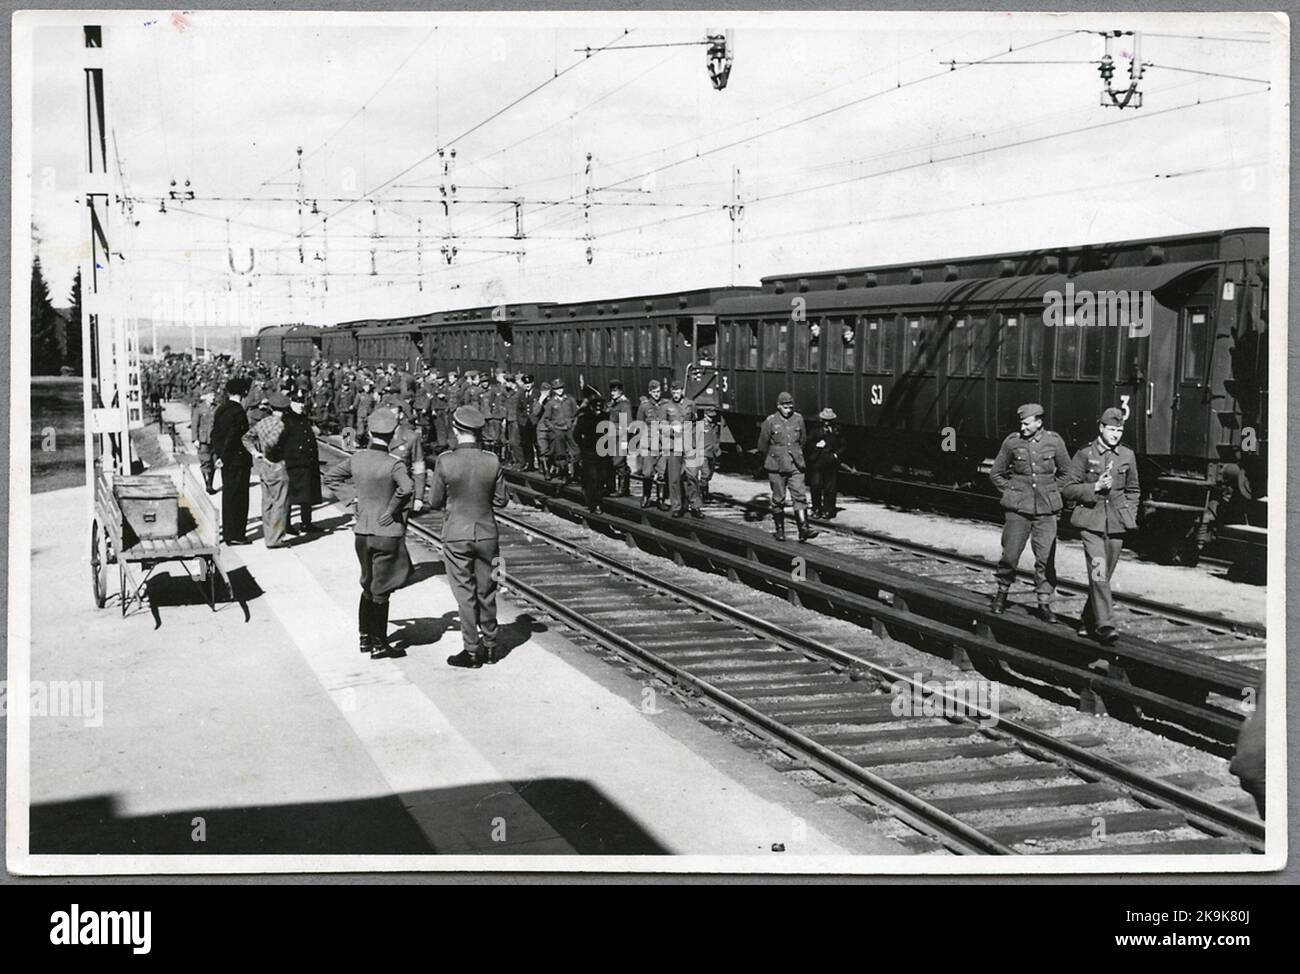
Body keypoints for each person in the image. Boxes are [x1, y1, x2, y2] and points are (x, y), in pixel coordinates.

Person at [323, 408, 414, 658]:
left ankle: (364, 637)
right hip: (387, 533)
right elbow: (407, 488)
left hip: (362, 531)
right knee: (382, 589)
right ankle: (379, 643)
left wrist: (351, 499)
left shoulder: (357, 458)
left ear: (370, 432)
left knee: (367, 583)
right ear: (394, 433)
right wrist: (392, 509)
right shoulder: (393, 463)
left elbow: (330, 477)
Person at [428, 405, 511, 669]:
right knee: (487, 590)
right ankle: (490, 646)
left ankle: (471, 650)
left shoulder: (445, 460)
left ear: (455, 429)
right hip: (487, 534)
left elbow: (434, 500)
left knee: (465, 593)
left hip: (456, 535)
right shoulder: (492, 460)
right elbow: (502, 500)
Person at [1062, 407, 1140, 644]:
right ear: (1101, 428)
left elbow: (1133, 490)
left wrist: (1129, 514)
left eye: (1119, 430)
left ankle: (1087, 621)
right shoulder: (1085, 454)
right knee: (1098, 571)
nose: (1116, 435)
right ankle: (1106, 625)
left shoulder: (1127, 455)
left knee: (1103, 575)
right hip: (1091, 522)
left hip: (1117, 523)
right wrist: (1094, 488)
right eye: (1112, 430)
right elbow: (1067, 488)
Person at [987, 402, 1072, 622]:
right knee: (1010, 554)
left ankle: (1044, 603)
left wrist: (1054, 492)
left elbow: (1067, 473)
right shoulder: (1012, 442)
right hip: (1018, 510)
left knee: (1045, 558)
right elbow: (996, 473)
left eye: (1026, 423)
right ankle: (1001, 595)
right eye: (1021, 423)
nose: (1022, 427)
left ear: (1038, 422)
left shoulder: (1054, 441)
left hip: (1046, 510)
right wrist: (1012, 493)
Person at [757, 391, 818, 542]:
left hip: (796, 464)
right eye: (785, 407)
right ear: (778, 406)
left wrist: (796, 454)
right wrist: (773, 457)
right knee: (778, 498)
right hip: (776, 465)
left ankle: (803, 528)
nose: (788, 410)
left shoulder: (798, 419)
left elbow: (803, 439)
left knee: (800, 495)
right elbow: (762, 446)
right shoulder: (770, 422)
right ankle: (780, 530)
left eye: (790, 407)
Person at [241, 391, 291, 548]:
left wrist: (256, 453)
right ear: (284, 410)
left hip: (264, 467)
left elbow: (246, 438)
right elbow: (272, 442)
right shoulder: (281, 425)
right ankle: (275, 539)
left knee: (267, 503)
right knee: (280, 504)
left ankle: (268, 535)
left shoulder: (262, 422)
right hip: (277, 466)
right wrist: (271, 454)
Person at [209, 377, 253, 545]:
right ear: (244, 393)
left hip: (226, 460)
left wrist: (219, 455)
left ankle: (229, 533)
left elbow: (215, 435)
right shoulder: (239, 413)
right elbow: (233, 438)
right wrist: (224, 456)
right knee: (240, 498)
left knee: (228, 496)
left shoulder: (221, 409)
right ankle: (237, 535)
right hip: (238, 461)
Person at [282, 389, 323, 534]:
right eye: (297, 402)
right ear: (291, 402)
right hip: (293, 463)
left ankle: (307, 523)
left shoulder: (303, 417)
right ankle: (286, 525)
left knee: (308, 495)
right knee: (290, 496)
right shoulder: (286, 419)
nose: (301, 405)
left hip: (307, 462)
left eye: (302, 402)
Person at [662, 380, 695, 517]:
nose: (676, 394)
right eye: (673, 392)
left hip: (688, 444)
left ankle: (695, 505)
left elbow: (694, 423)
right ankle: (676, 506)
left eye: (678, 391)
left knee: (692, 476)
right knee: (674, 478)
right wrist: (671, 429)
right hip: (673, 445)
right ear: (671, 392)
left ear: (682, 391)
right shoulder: (666, 406)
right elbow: (661, 426)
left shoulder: (690, 404)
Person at [806, 407, 845, 519]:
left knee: (830, 488)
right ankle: (816, 508)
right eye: (825, 419)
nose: (827, 422)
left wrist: (836, 455)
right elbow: (808, 442)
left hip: (830, 461)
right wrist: (816, 446)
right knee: (816, 485)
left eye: (829, 420)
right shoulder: (815, 429)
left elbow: (843, 445)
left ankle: (829, 510)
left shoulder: (837, 430)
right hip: (818, 460)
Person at [574, 385, 607, 513]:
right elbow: (576, 434)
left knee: (601, 478)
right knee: (593, 478)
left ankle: (596, 500)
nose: (598, 410)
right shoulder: (585, 417)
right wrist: (583, 447)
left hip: (603, 452)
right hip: (589, 452)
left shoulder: (605, 416)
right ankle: (595, 504)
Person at [636, 380, 667, 508]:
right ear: (650, 392)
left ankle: (661, 500)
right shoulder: (644, 407)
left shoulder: (666, 405)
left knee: (662, 473)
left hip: (662, 445)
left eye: (658, 391)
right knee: (647, 473)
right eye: (654, 392)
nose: (656, 394)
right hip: (649, 445)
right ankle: (646, 496)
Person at [542, 377, 578, 481]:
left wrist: (574, 425)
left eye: (561, 388)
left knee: (576, 452)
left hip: (570, 429)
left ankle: (576, 474)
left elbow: (576, 414)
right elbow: (546, 419)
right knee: (560, 453)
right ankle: (564, 473)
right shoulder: (551, 403)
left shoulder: (570, 400)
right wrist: (553, 429)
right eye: (557, 388)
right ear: (553, 390)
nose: (560, 390)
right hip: (558, 430)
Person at [606, 379, 633, 496]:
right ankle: (617, 487)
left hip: (621, 437)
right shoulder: (613, 403)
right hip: (612, 437)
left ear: (620, 392)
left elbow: (626, 424)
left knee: (619, 462)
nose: (613, 393)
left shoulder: (624, 404)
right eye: (612, 391)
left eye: (615, 391)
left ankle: (623, 489)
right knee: (613, 461)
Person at [190, 389, 217, 493]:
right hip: (203, 439)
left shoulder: (217, 407)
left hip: (214, 439)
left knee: (214, 461)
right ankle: (208, 486)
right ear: (205, 396)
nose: (213, 397)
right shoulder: (199, 409)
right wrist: (195, 439)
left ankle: (211, 484)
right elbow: (194, 425)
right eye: (210, 395)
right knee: (205, 461)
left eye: (213, 395)